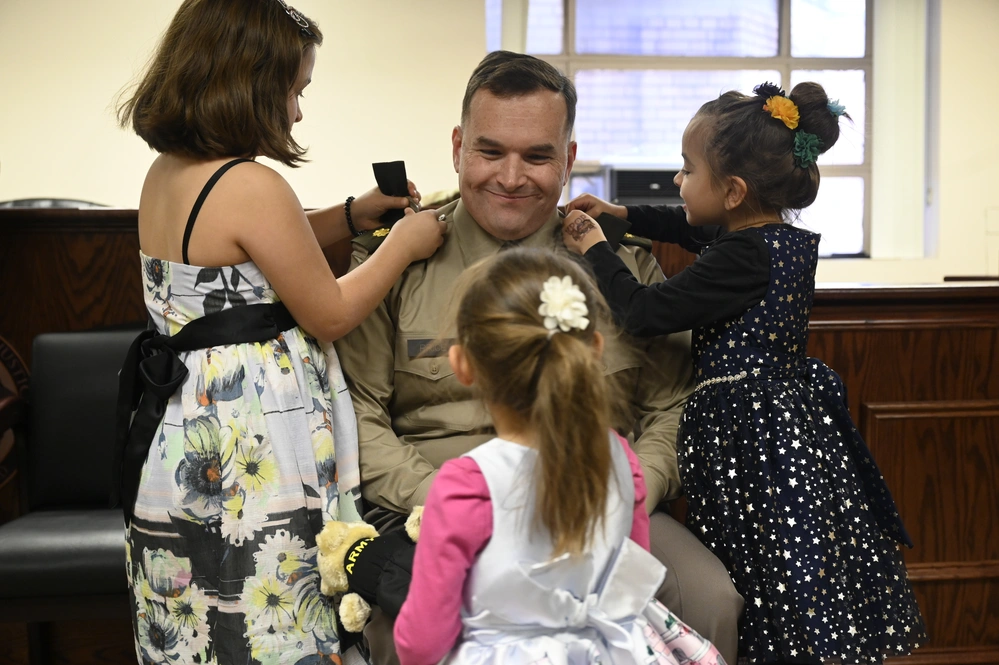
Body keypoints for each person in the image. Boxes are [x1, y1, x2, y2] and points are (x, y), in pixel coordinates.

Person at [334, 50, 742, 665]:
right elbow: (356, 409)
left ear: (569, 159)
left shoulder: (620, 263)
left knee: (710, 597)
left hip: (596, 505)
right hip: (435, 502)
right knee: (404, 631)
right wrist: (455, 504)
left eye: (538, 156)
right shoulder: (394, 257)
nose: (511, 176)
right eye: (490, 151)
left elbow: (671, 405)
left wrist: (629, 494)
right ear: (457, 148)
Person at [114, 1, 446, 662]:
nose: (297, 111)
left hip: (182, 431)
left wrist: (353, 215)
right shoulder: (251, 184)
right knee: (270, 609)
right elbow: (326, 310)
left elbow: (254, 255)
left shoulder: (169, 173)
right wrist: (401, 244)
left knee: (206, 615)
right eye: (294, 91)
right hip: (248, 448)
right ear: (249, 86)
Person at [562, 82, 927, 664]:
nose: (677, 183)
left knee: (760, 567)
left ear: (732, 191)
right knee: (790, 564)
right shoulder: (771, 239)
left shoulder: (742, 255)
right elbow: (688, 225)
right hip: (783, 423)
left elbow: (645, 311)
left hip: (749, 439)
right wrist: (623, 213)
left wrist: (597, 248)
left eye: (686, 170)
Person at [392, 248, 725, 665]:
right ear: (596, 349)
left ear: (461, 364)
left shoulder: (466, 485)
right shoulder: (620, 457)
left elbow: (421, 642)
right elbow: (629, 579)